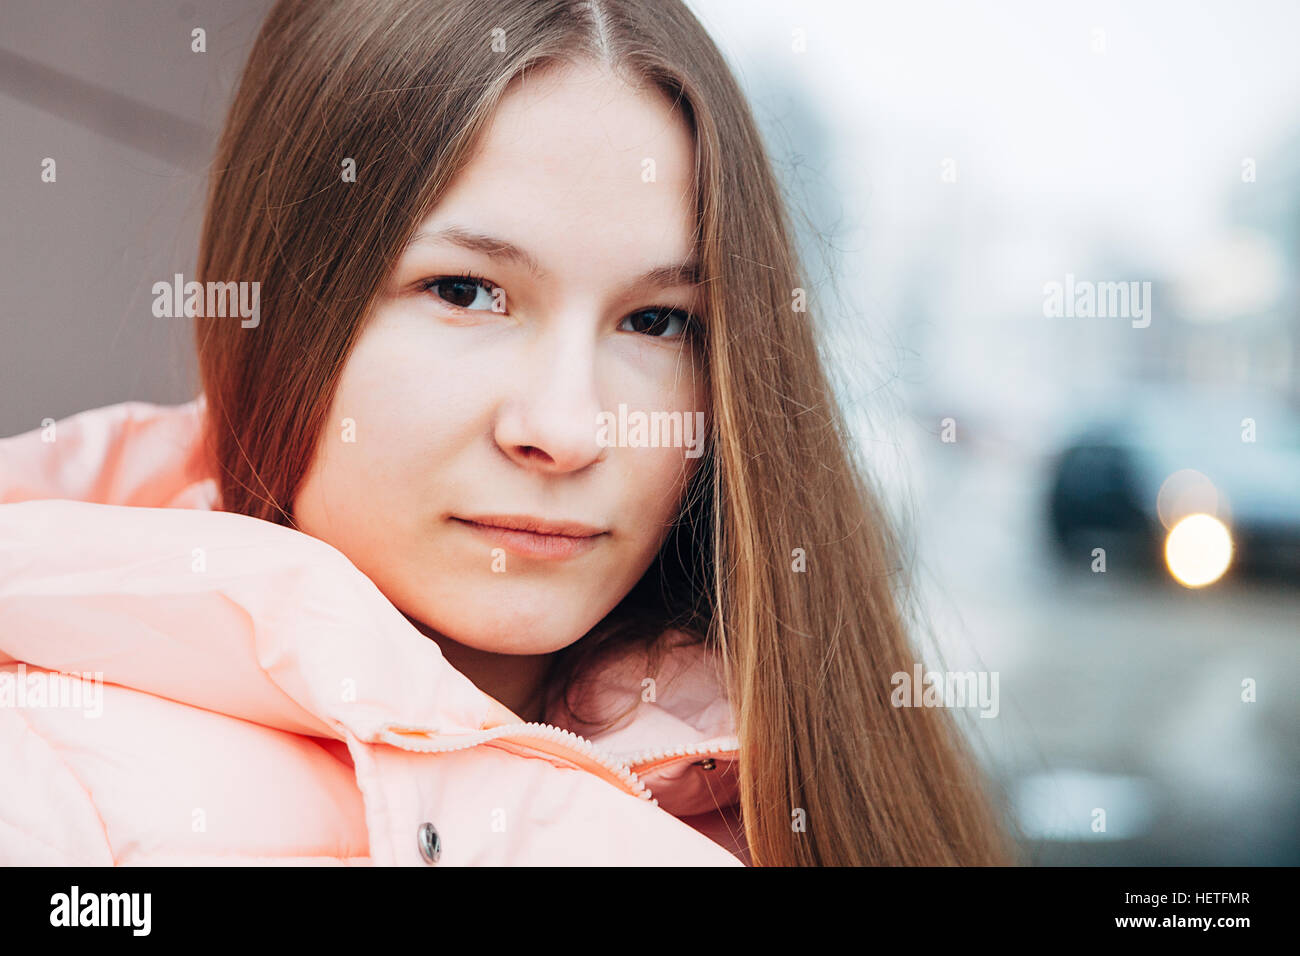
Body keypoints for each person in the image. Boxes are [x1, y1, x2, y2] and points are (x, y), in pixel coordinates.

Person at [0, 0, 1016, 866]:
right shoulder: (44, 781)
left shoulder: (802, 766)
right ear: (270, 301)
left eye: (657, 320)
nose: (567, 428)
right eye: (465, 290)